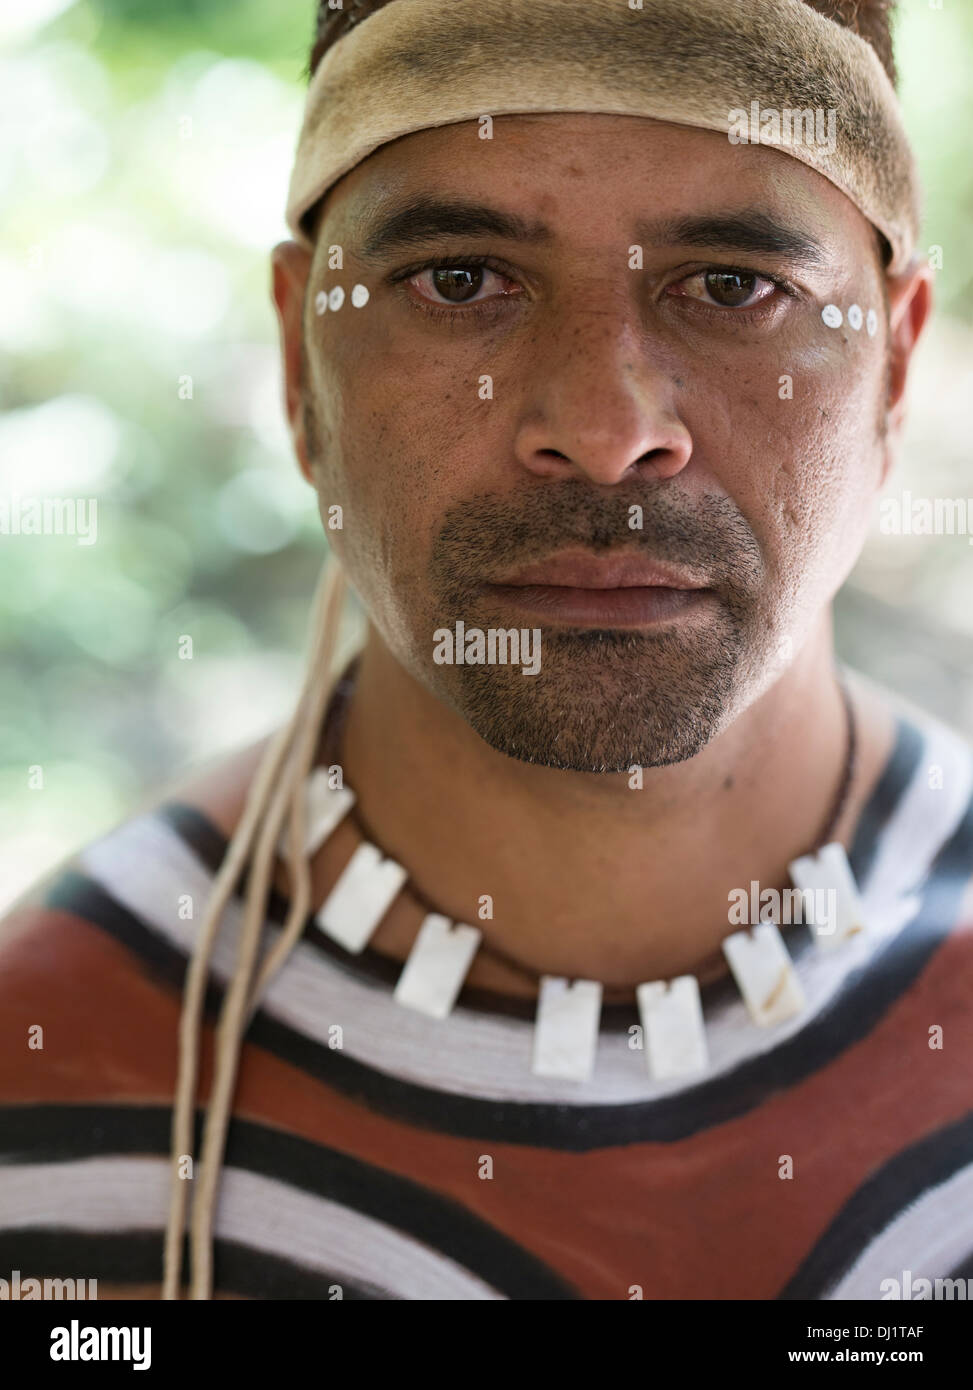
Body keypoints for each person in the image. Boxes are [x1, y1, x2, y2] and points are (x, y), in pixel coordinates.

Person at [2, 0, 971, 1303]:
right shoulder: (51, 1087)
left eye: (733, 286)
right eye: (459, 279)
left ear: (893, 367)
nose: (605, 430)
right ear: (299, 359)